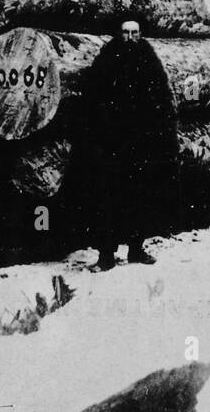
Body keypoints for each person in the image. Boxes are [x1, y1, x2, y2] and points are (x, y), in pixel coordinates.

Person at [66, 16, 180, 270]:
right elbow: (93, 102)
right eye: (126, 33)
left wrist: (161, 136)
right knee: (108, 200)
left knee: (140, 198)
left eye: (135, 33)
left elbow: (162, 100)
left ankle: (136, 250)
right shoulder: (106, 61)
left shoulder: (150, 62)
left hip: (142, 145)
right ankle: (107, 255)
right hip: (112, 145)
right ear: (119, 34)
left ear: (141, 34)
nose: (130, 38)